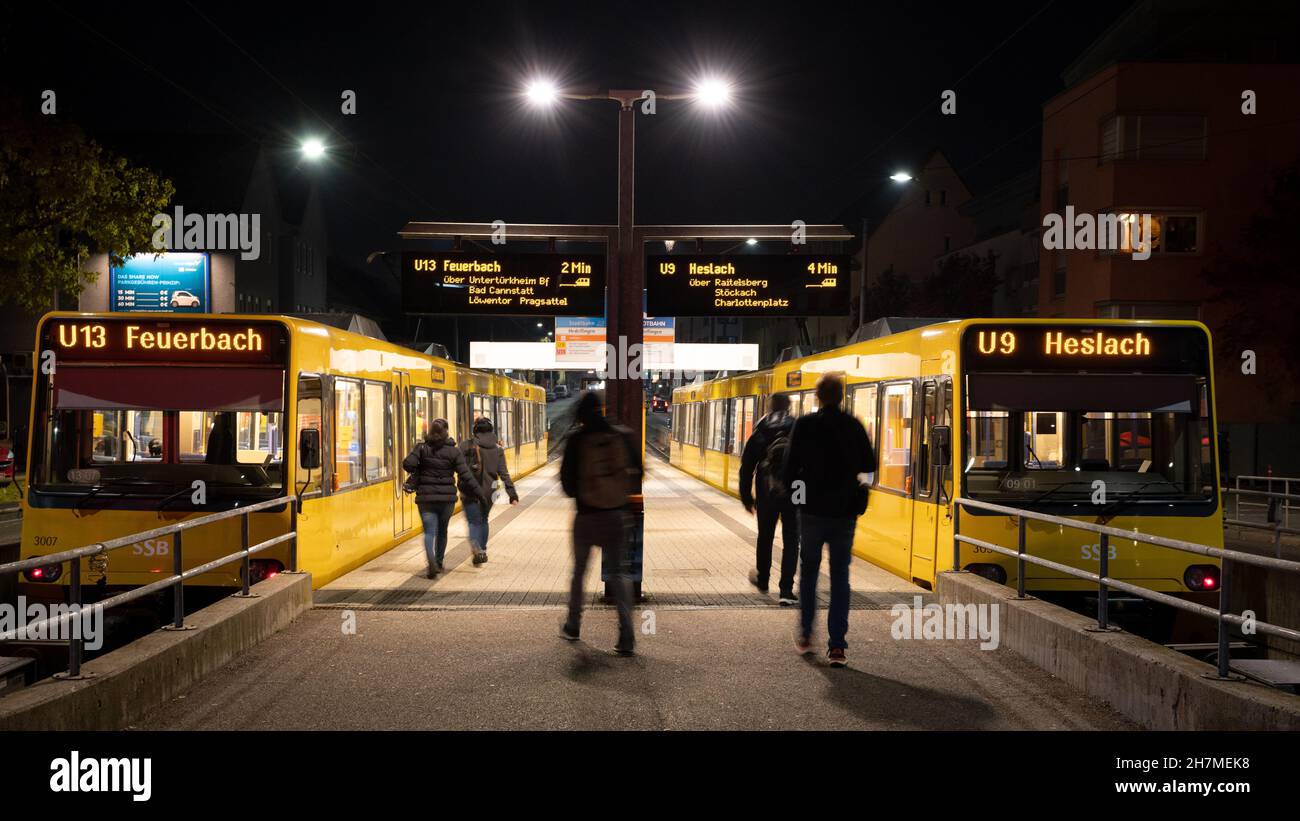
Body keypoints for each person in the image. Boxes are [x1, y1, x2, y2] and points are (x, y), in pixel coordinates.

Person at [783, 373, 876, 668]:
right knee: (840, 578)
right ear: (842, 396)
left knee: (808, 573)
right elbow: (869, 465)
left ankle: (807, 635)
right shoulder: (853, 425)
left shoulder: (805, 424)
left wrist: (794, 497)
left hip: (811, 510)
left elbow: (789, 467)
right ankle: (837, 647)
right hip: (844, 512)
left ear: (818, 397)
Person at [559, 391, 642, 656]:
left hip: (586, 516)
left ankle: (573, 625)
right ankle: (626, 636)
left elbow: (566, 485)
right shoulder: (623, 435)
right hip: (618, 515)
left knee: (579, 573)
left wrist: (585, 490)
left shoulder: (576, 440)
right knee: (619, 575)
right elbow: (639, 472)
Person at [402, 418, 486, 579]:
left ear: (431, 432)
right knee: (442, 532)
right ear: (446, 432)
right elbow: (466, 475)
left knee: (428, 533)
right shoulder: (453, 452)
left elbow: (407, 465)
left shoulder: (422, 448)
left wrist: (418, 455)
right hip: (446, 501)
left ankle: (431, 563)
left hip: (426, 500)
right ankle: (439, 563)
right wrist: (480, 494)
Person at [738, 392, 799, 605]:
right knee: (792, 539)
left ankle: (763, 579)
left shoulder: (761, 429)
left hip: (766, 489)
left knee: (766, 535)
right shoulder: (797, 426)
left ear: (770, 406)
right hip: (795, 490)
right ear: (789, 407)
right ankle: (786, 591)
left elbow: (747, 466)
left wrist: (746, 496)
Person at [458, 416, 520, 564]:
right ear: (492, 430)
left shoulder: (465, 446)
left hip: (470, 489)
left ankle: (476, 545)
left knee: (473, 522)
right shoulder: (498, 449)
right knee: (484, 519)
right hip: (491, 490)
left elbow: (456, 466)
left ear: (475, 430)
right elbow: (503, 473)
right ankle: (483, 550)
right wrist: (512, 494)